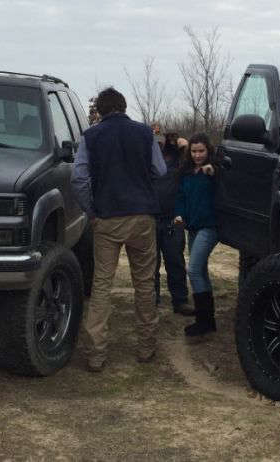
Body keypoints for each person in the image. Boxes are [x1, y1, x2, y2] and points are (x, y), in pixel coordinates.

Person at [70, 87, 167, 372]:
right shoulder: (145, 133)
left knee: (101, 285)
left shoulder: (91, 136)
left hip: (107, 217)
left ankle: (96, 354)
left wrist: (92, 211)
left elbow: (78, 179)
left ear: (99, 111)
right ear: (124, 107)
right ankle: (146, 347)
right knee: (145, 283)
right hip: (142, 216)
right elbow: (160, 171)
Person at [173, 133, 219, 338]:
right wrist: (179, 214)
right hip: (192, 227)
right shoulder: (186, 173)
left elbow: (225, 177)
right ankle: (208, 321)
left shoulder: (212, 170)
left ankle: (203, 321)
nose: (198, 155)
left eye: (201, 151)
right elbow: (181, 197)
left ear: (208, 151)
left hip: (209, 227)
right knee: (201, 271)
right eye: (194, 151)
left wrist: (215, 171)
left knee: (193, 270)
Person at [152, 125, 195, 316]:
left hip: (172, 219)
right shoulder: (146, 161)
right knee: (150, 264)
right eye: (157, 143)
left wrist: (181, 143)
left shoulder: (179, 160)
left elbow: (192, 153)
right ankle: (151, 301)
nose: (161, 145)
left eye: (163, 141)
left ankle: (180, 301)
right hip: (149, 219)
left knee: (175, 261)